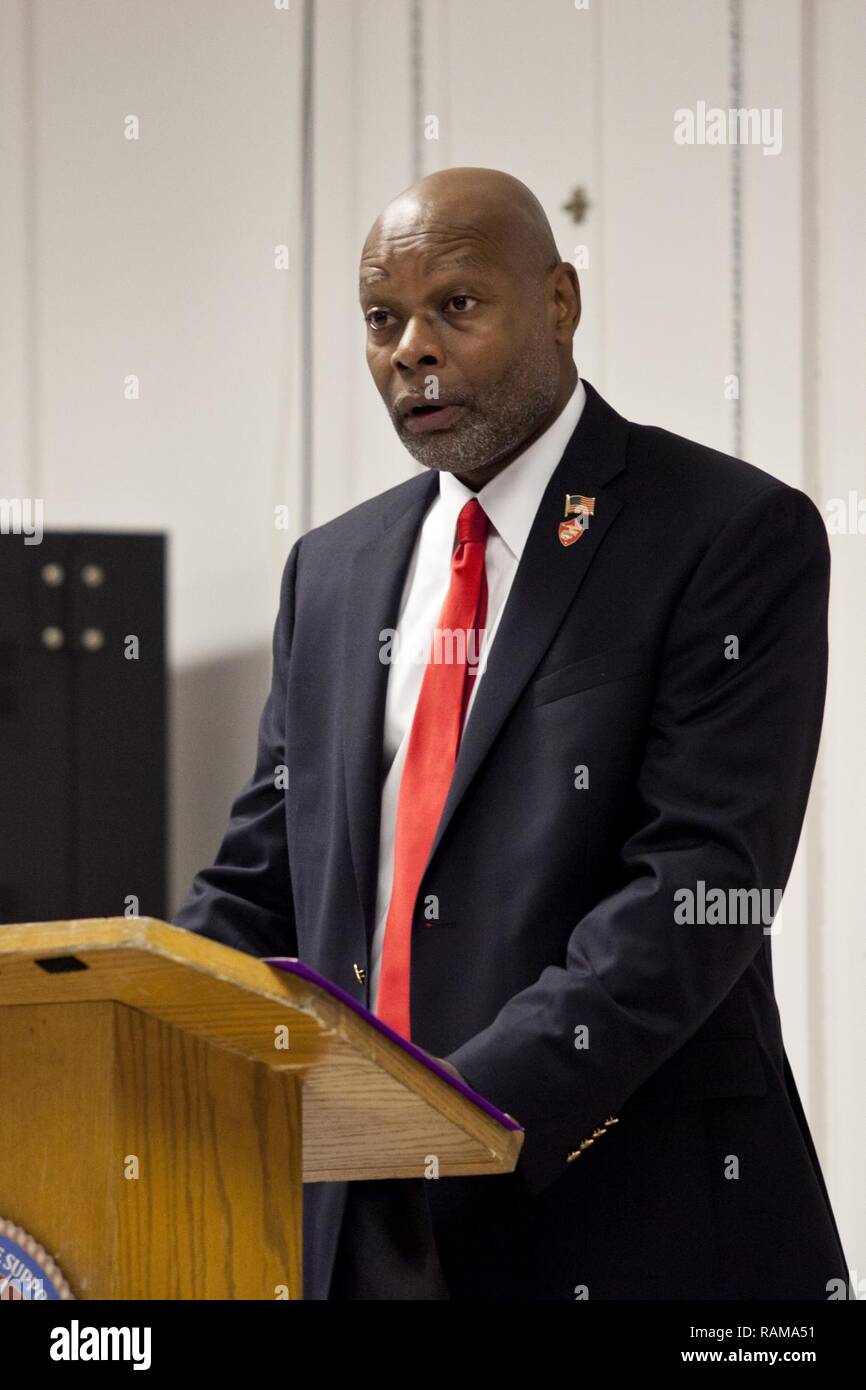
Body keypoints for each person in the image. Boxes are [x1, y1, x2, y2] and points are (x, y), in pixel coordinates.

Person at [174, 167, 850, 1300]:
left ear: (559, 302)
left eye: (456, 305)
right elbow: (260, 882)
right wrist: (124, 1031)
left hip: (619, 1207)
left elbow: (696, 886)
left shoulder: (726, 532)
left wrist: (450, 1117)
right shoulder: (331, 572)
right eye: (381, 319)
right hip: (353, 1219)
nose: (412, 351)